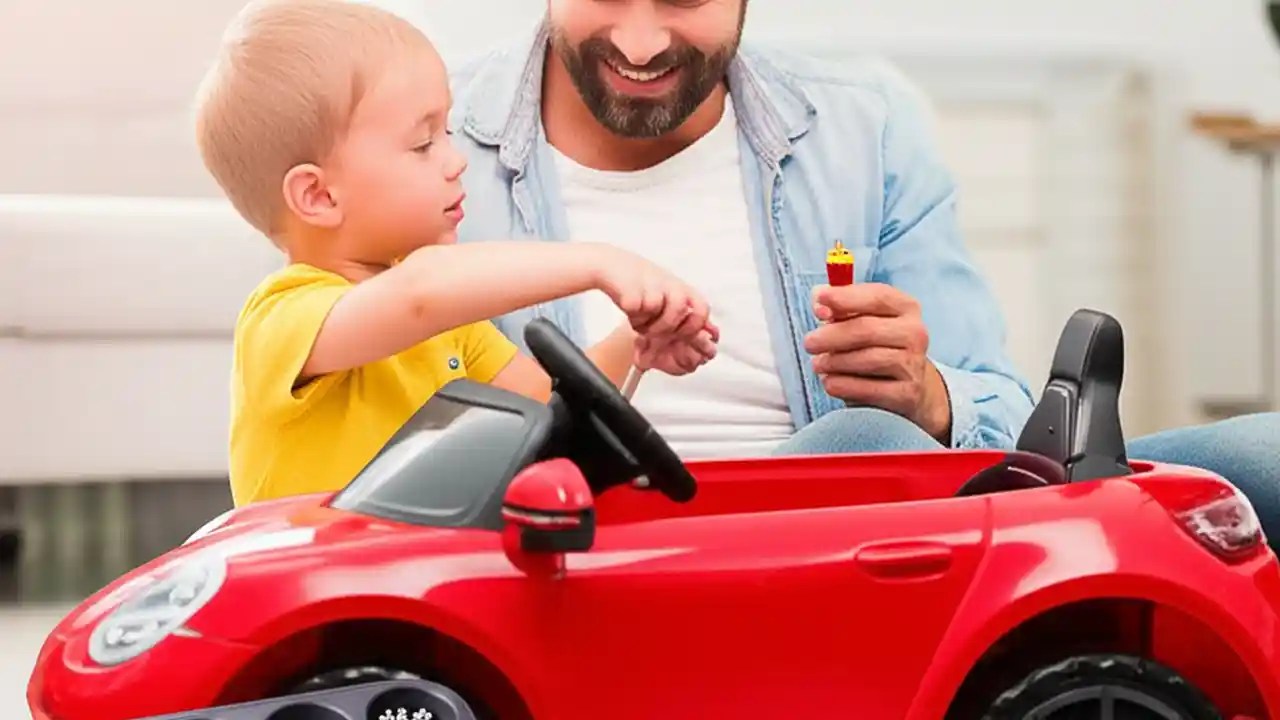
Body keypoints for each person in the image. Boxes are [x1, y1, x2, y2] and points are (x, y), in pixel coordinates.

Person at [446, 1, 1280, 541]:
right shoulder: (427, 143)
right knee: (869, 443)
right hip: (597, 543)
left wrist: (930, 395)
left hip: (868, 522)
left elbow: (1004, 415)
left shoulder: (859, 130)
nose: (640, 40)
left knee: (1267, 457)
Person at [193, 0, 719, 507]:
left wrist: (635, 339)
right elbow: (419, 292)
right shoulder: (283, 320)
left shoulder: (449, 328)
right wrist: (599, 263)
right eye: (424, 144)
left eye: (446, 132)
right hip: (327, 591)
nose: (456, 161)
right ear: (319, 196)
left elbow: (543, 417)